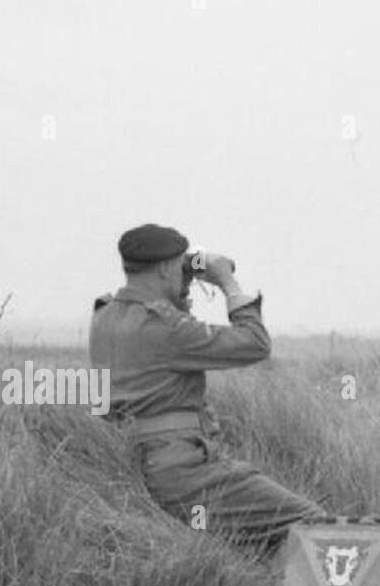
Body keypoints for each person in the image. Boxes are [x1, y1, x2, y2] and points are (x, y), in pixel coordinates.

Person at [89, 223, 322, 558]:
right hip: (181, 470)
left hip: (138, 458)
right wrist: (226, 282)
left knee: (249, 547)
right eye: (181, 266)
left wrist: (181, 285)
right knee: (309, 521)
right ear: (168, 268)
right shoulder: (165, 327)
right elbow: (255, 344)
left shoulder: (105, 314)